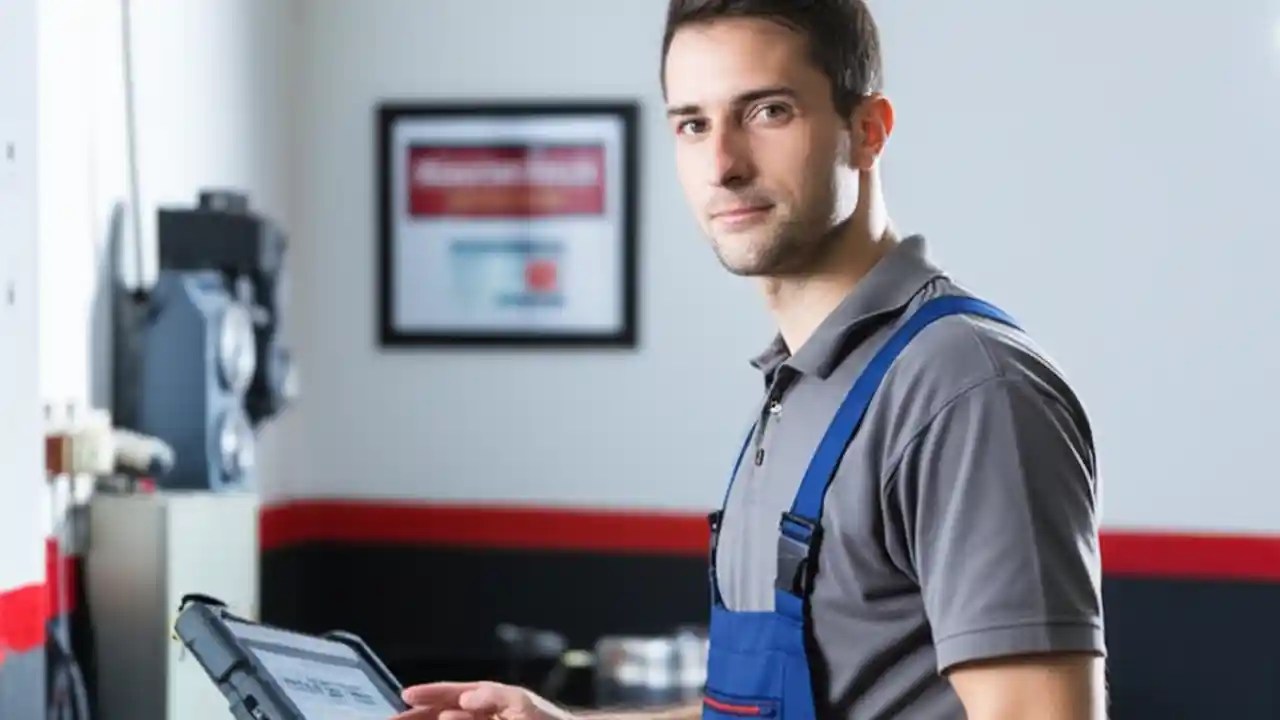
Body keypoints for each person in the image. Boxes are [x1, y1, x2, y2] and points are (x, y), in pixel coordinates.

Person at [392, 1, 1107, 718]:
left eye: (767, 111)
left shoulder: (963, 389)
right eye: (694, 124)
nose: (723, 165)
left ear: (867, 131)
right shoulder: (800, 386)